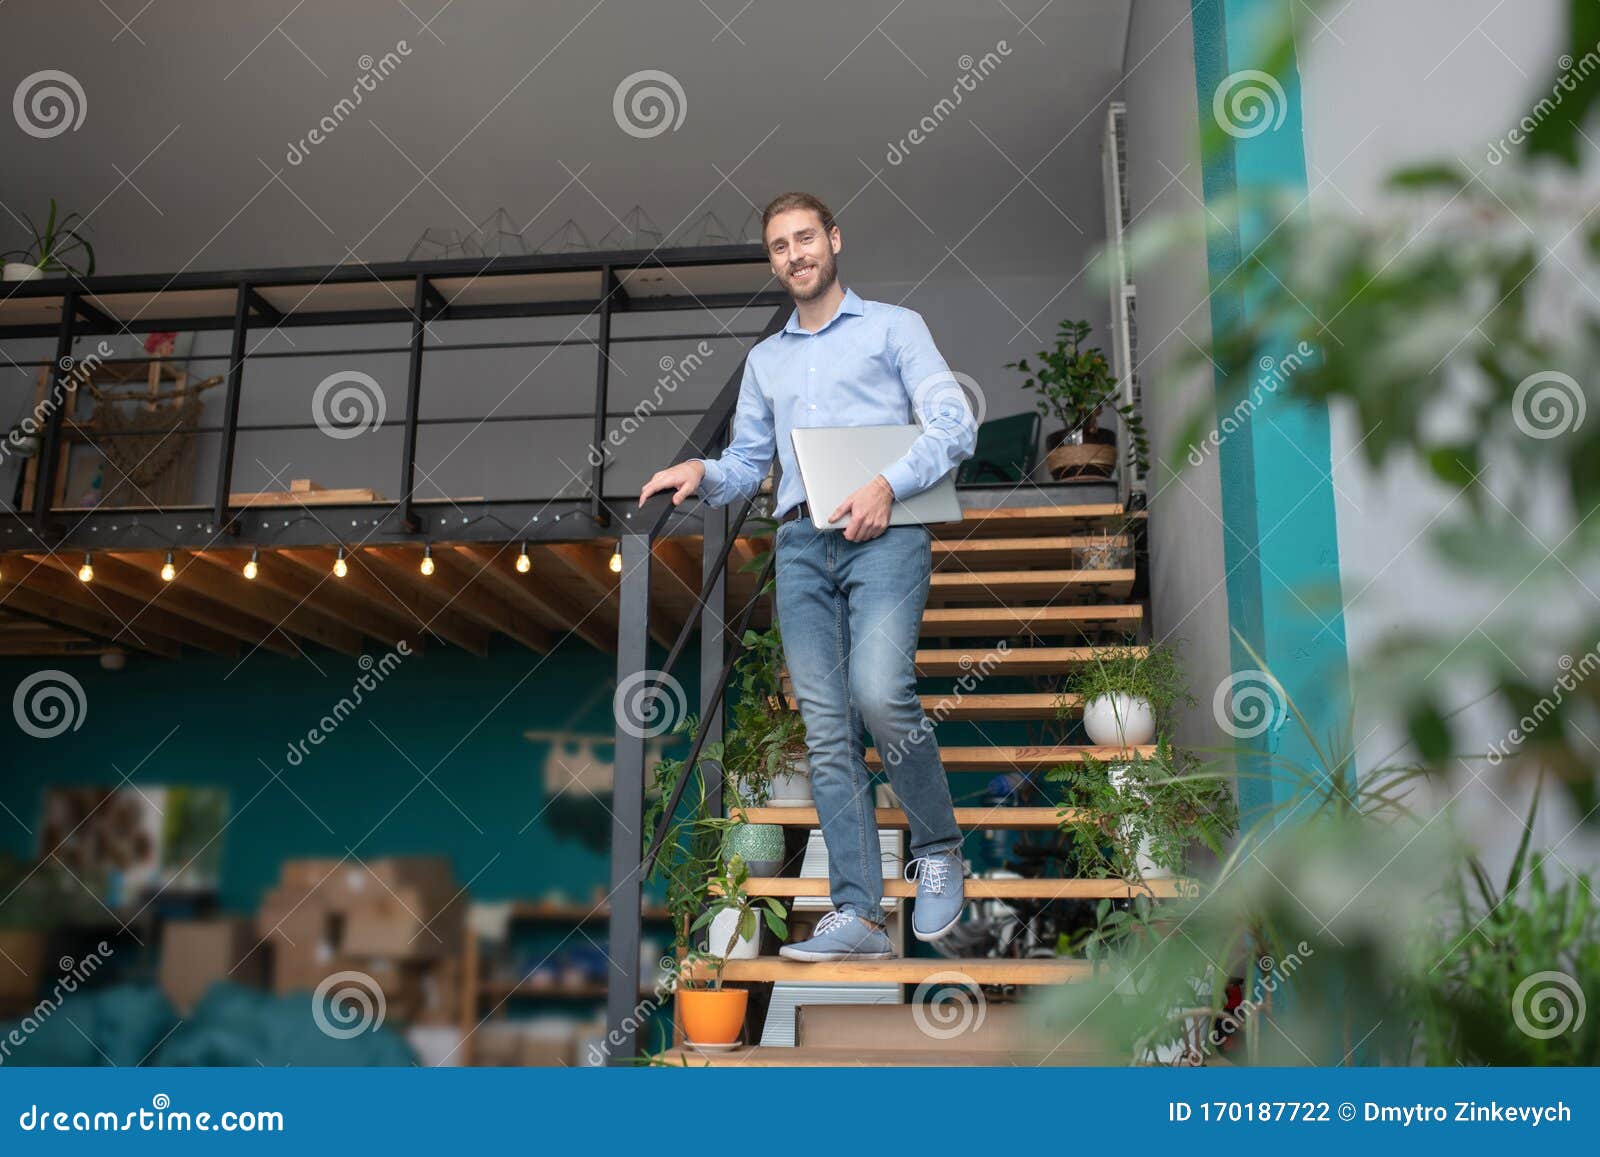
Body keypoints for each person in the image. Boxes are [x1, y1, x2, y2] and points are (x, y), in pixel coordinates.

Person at [638, 191, 977, 961]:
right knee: (825, 728)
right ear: (773, 262)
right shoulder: (767, 361)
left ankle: (940, 848)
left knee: (879, 693)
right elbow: (748, 463)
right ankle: (858, 914)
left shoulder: (895, 327)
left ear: (834, 239)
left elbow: (953, 424)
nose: (795, 254)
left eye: (805, 237)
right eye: (779, 246)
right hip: (799, 545)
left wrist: (887, 484)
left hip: (887, 535)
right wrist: (702, 470)